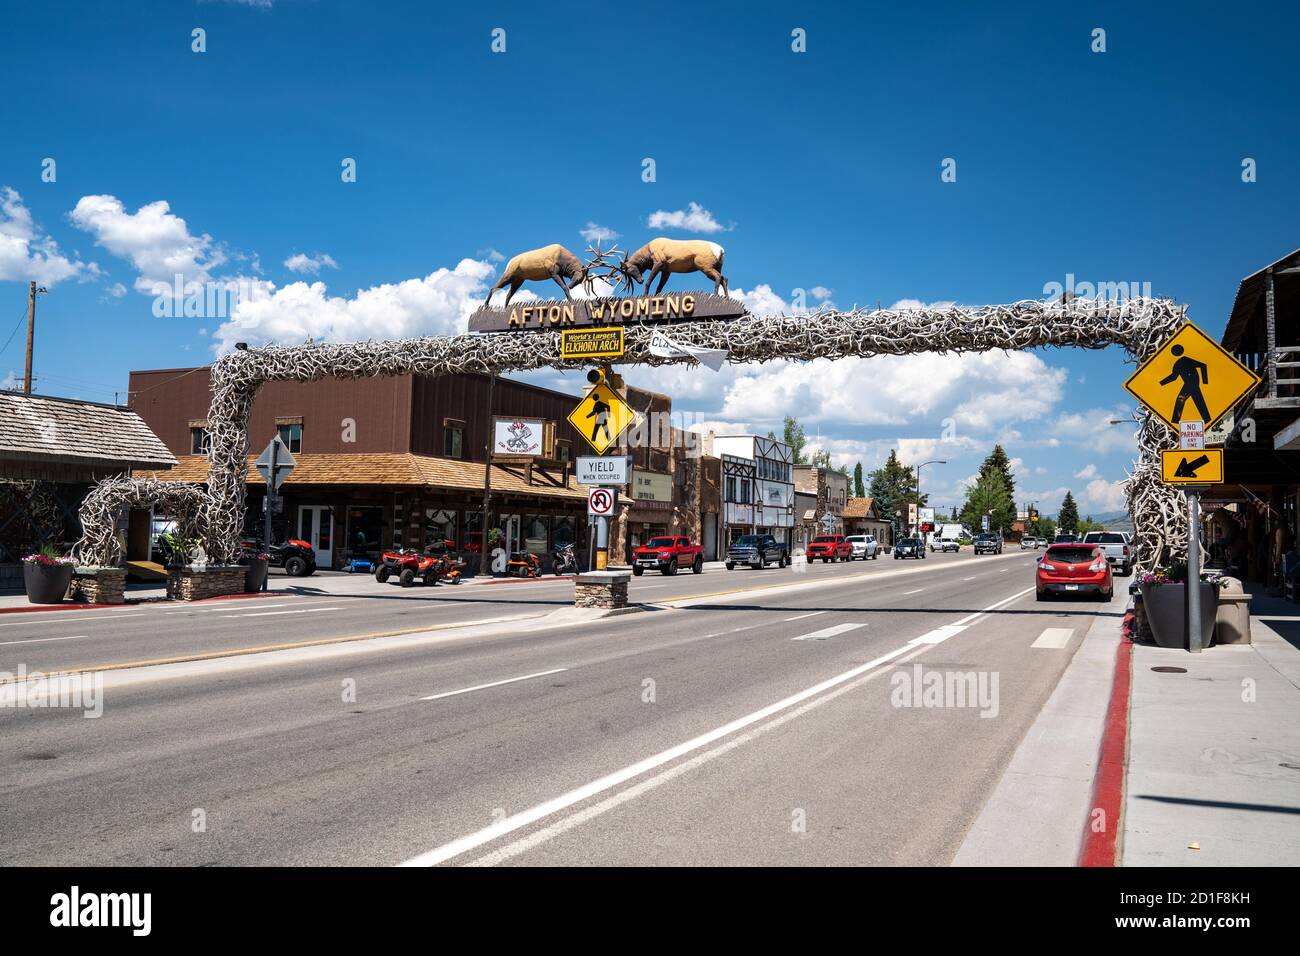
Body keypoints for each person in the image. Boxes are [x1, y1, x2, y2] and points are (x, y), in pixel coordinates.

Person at [1159, 344, 1210, 424]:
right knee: (1198, 401)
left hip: (1192, 383)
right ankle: (1207, 420)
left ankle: (1175, 421)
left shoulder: (1185, 360)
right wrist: (1161, 383)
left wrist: (1205, 382)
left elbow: (1203, 366)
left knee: (1182, 399)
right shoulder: (1177, 364)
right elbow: (1173, 377)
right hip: (1189, 383)